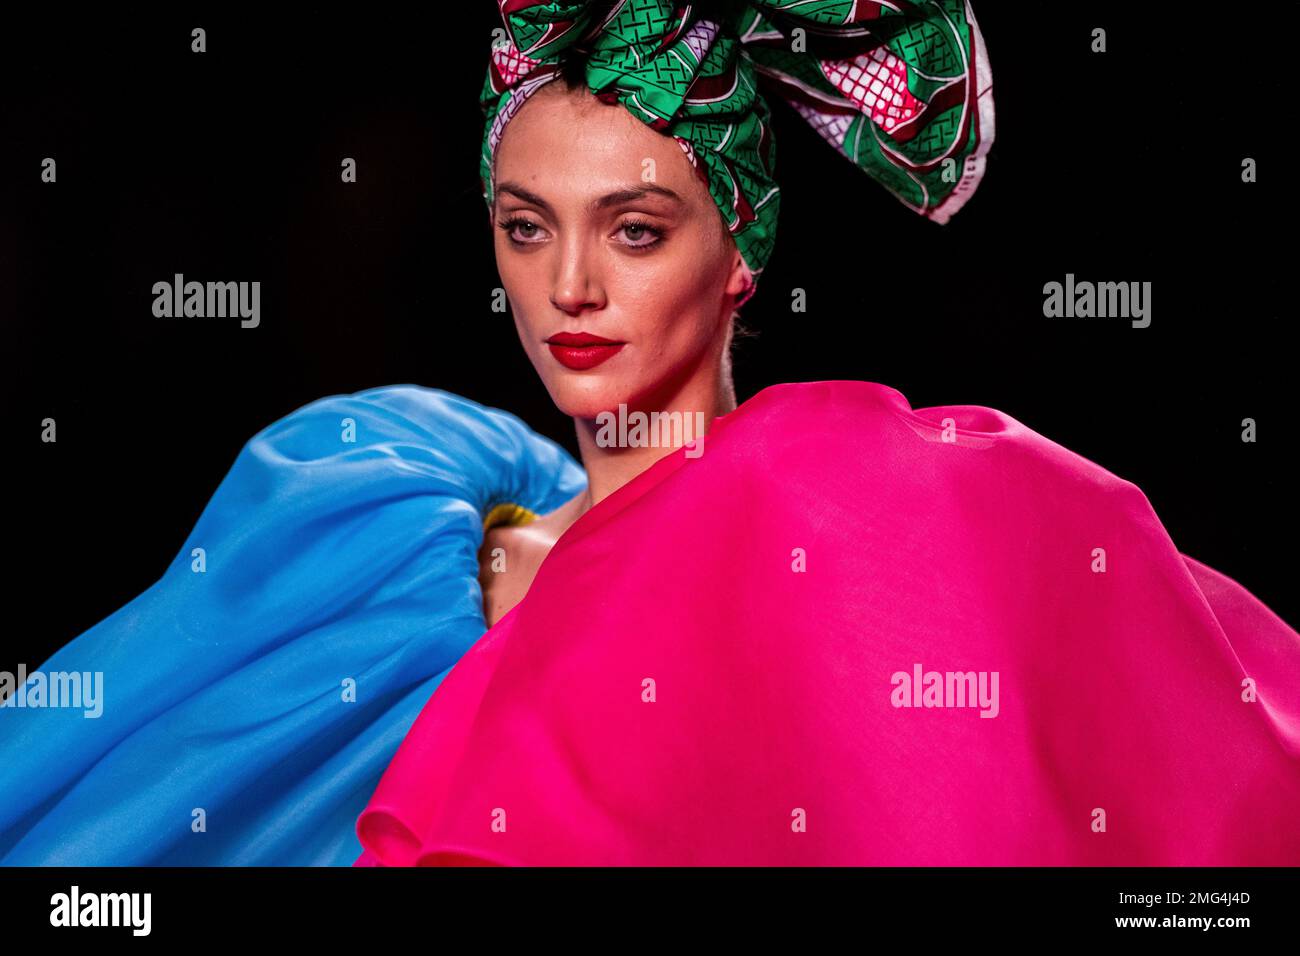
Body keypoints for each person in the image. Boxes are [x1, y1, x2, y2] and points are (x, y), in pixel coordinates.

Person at [350, 2, 1299, 866]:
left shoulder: (893, 513)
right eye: (525, 228)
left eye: (634, 230)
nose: (569, 286)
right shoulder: (421, 560)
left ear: (739, 251)